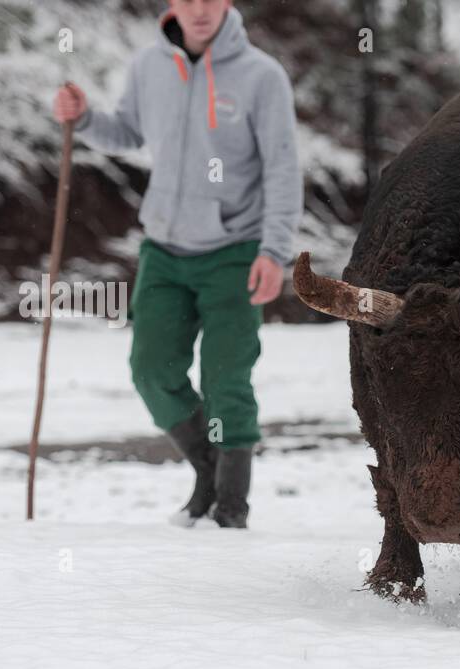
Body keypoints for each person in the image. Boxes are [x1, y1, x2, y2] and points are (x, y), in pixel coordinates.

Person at [53, 0, 303, 528]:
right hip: (164, 249)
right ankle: (209, 470)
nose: (200, 10)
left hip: (235, 251)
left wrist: (273, 253)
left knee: (225, 377)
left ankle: (231, 507)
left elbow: (282, 167)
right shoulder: (149, 66)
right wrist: (85, 119)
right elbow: (126, 131)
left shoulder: (262, 76)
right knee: (151, 370)